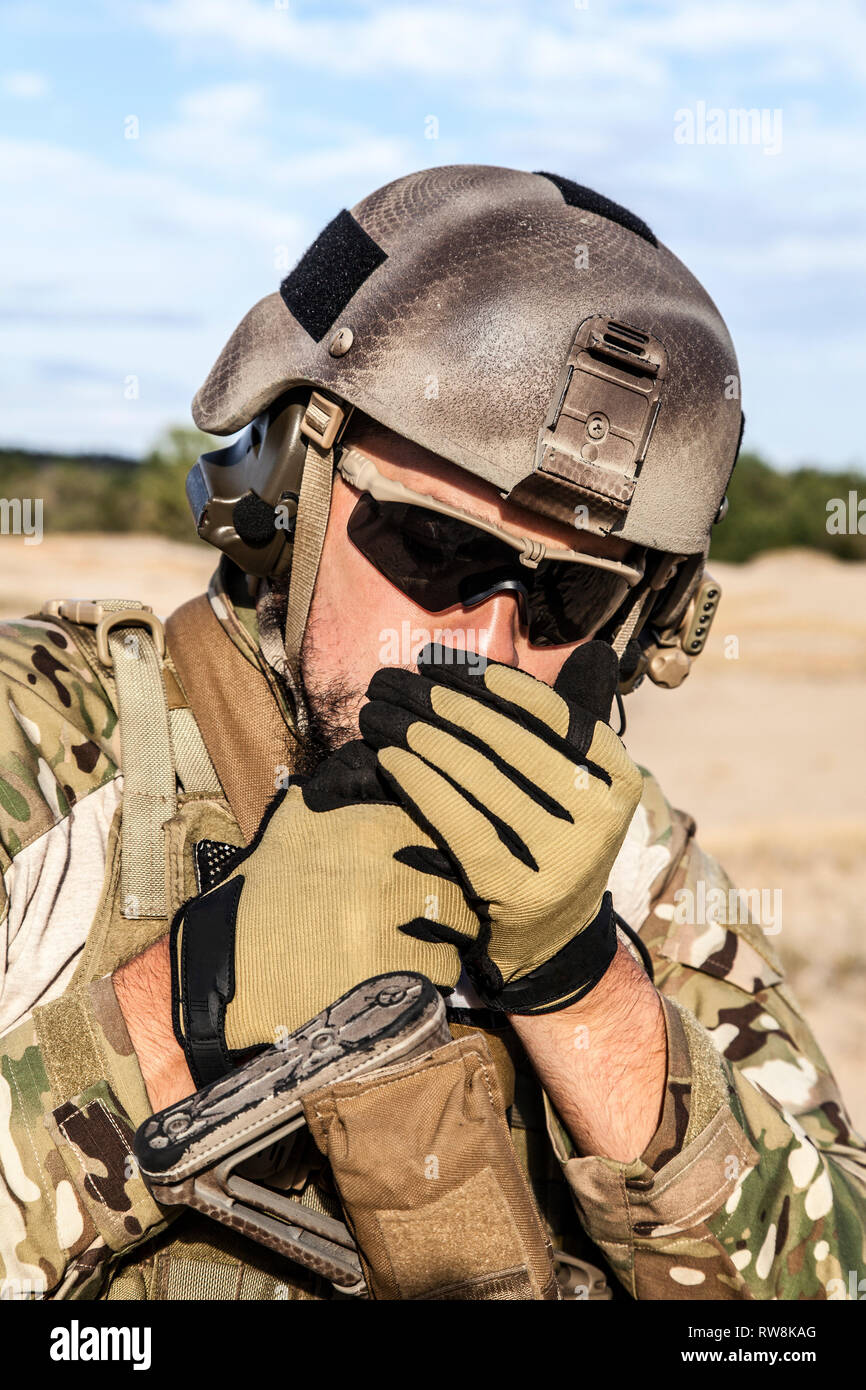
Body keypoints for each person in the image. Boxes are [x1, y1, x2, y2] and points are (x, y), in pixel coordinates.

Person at [1, 166, 863, 1302]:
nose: (489, 646)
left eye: (567, 598)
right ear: (282, 492)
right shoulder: (44, 742)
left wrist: (585, 991)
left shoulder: (615, 852)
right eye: (435, 552)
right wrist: (177, 1016)